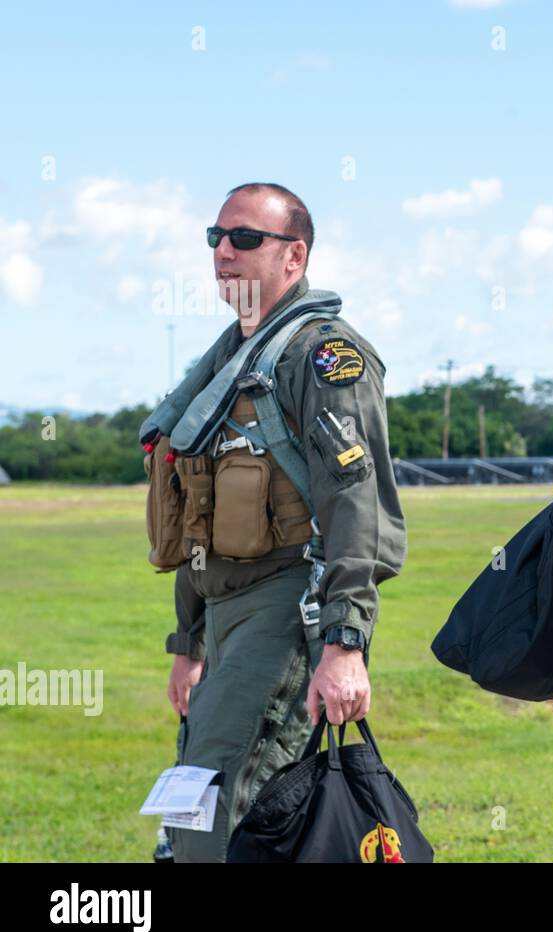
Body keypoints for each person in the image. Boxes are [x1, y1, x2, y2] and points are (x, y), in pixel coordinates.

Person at [142, 183, 406, 862]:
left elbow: (356, 499)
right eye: (217, 238)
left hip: (286, 611)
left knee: (219, 812)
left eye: (245, 238)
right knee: (196, 804)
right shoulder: (229, 362)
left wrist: (345, 642)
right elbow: (199, 514)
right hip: (224, 615)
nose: (223, 252)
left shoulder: (322, 357)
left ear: (295, 255)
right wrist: (189, 641)